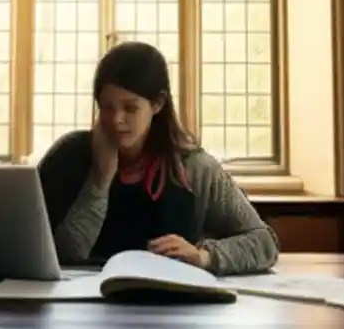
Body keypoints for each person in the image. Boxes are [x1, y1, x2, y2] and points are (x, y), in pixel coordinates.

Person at [37, 41, 280, 276]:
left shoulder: (193, 167)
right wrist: (100, 182)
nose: (116, 119)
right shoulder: (68, 156)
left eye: (130, 108)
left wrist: (203, 256)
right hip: (79, 304)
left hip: (168, 304)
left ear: (157, 104)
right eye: (106, 107)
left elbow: (264, 242)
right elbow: (62, 255)